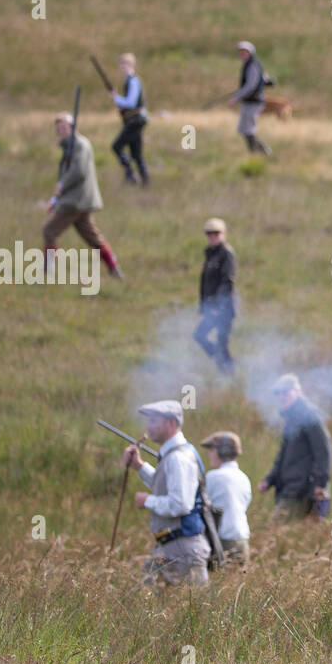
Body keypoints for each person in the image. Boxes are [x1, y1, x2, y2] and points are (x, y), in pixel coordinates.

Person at [121, 400, 211, 587]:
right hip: (172, 547)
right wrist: (139, 466)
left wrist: (148, 501)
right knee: (142, 603)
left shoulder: (178, 458)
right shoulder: (175, 454)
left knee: (189, 613)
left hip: (183, 549)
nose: (148, 427)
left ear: (170, 423)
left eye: (154, 421)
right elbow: (166, 486)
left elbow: (181, 504)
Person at [44, 112, 123, 280]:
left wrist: (61, 187)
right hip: (80, 201)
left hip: (76, 201)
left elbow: (77, 171)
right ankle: (114, 268)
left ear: (72, 127)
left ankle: (47, 272)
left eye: (65, 127)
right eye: (59, 128)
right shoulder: (70, 146)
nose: (62, 130)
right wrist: (55, 199)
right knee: (93, 238)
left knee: (49, 231)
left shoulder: (80, 145)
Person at [257, 374, 332, 519]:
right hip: (291, 488)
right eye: (279, 394)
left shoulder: (310, 416)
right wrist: (269, 480)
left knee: (278, 526)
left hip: (305, 490)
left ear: (298, 392)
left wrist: (320, 484)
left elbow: (324, 451)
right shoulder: (291, 419)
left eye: (286, 393)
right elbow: (283, 454)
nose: (282, 397)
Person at [199, 430, 251, 567]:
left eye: (212, 449)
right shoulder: (243, 477)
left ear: (221, 451)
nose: (210, 454)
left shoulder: (213, 476)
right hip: (242, 540)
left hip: (222, 541)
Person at [193, 217, 237, 374]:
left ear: (223, 234)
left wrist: (219, 306)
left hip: (224, 308)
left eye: (216, 233)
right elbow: (206, 284)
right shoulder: (210, 254)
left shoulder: (226, 254)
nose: (212, 237)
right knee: (199, 335)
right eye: (209, 233)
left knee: (221, 343)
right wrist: (203, 306)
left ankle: (230, 374)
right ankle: (224, 365)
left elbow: (228, 281)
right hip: (211, 307)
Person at [109, 52, 149, 186]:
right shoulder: (129, 81)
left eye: (125, 64)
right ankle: (144, 180)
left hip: (136, 120)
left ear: (131, 65)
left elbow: (131, 103)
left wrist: (117, 98)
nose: (123, 67)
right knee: (136, 152)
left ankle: (130, 174)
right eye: (121, 64)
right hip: (134, 119)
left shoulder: (133, 81)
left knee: (117, 146)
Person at [229, 40, 272, 155]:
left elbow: (250, 85)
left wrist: (236, 97)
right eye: (241, 51)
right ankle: (257, 151)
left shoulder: (252, 65)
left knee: (248, 129)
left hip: (254, 101)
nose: (242, 54)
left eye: (245, 51)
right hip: (249, 101)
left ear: (250, 52)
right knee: (244, 129)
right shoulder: (250, 64)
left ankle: (260, 151)